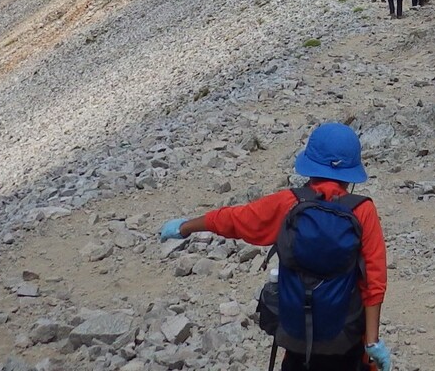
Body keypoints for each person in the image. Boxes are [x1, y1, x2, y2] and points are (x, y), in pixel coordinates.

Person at [159, 124, 391, 371]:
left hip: (295, 333)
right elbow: (374, 281)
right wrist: (373, 342)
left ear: (310, 165)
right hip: (345, 338)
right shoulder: (363, 211)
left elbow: (234, 219)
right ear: (350, 173)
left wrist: (185, 226)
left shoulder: (288, 204)